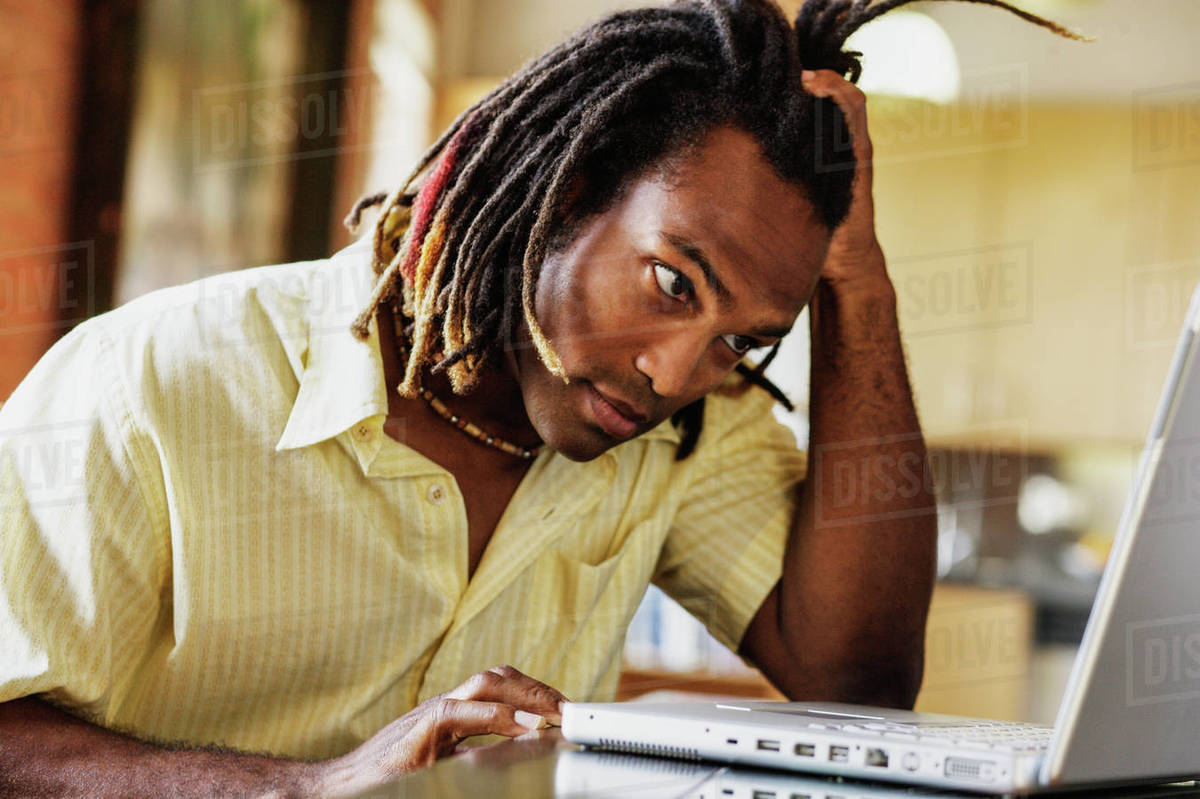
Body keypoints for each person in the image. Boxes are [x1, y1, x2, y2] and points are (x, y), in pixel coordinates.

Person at [0, 0, 1081, 796]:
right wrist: (307, 788)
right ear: (564, 187)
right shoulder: (155, 378)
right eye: (672, 282)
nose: (675, 373)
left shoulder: (693, 435)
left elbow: (860, 679)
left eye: (742, 341)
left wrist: (860, 283)